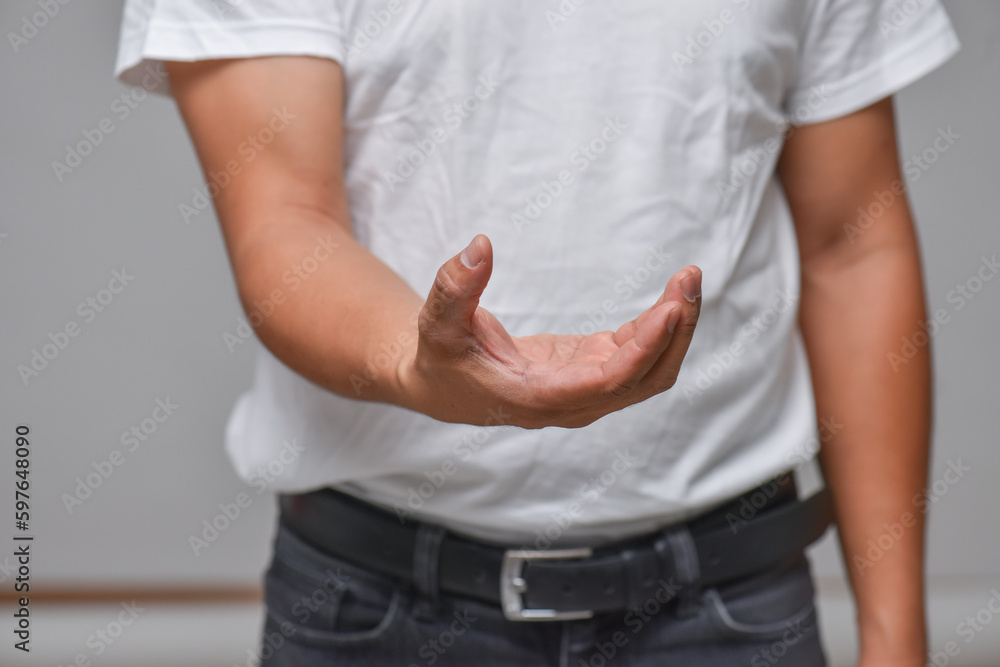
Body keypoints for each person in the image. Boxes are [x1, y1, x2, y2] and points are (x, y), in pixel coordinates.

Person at [116, 1, 958, 664]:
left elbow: (852, 243)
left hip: (729, 609)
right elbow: (285, 225)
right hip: (377, 610)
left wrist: (896, 642)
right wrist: (418, 365)